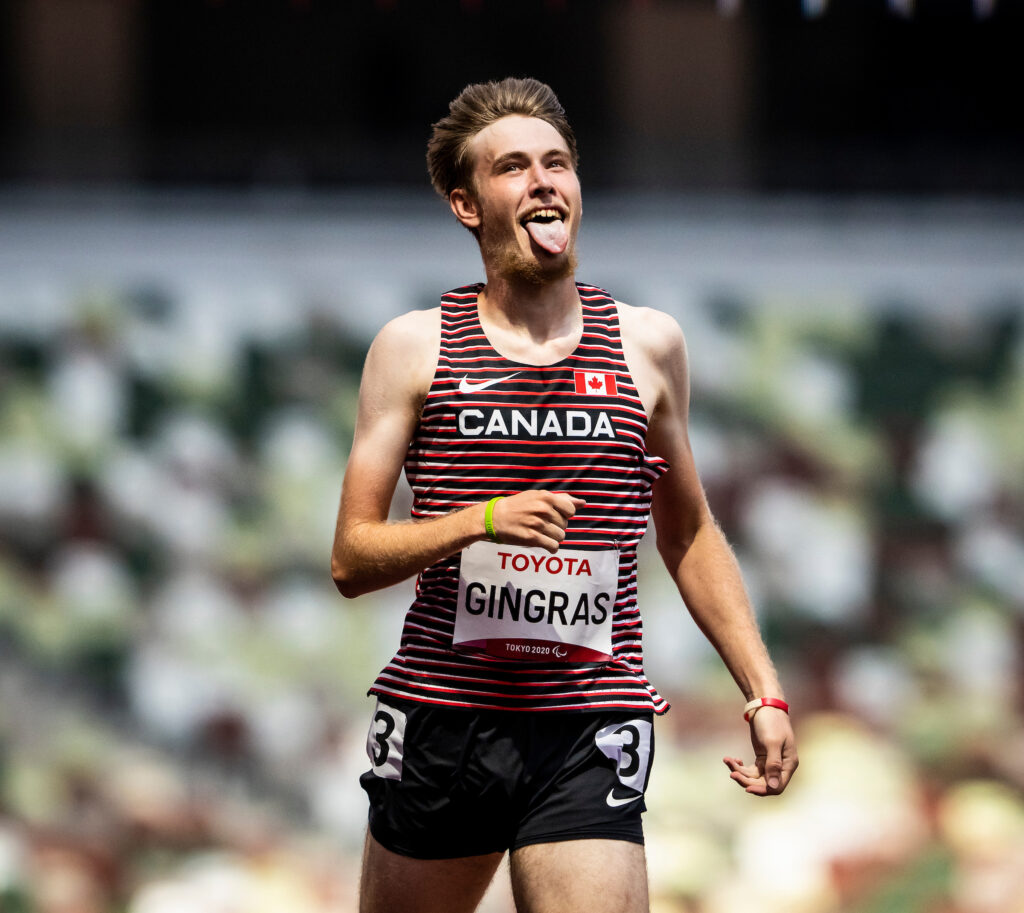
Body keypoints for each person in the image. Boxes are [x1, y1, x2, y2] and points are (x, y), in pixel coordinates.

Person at [331, 76, 798, 913]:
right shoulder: (413, 348)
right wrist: (481, 521)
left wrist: (762, 689)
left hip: (589, 719)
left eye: (558, 163)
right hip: (445, 717)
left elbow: (687, 531)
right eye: (513, 167)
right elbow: (351, 558)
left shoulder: (648, 345)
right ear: (467, 205)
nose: (544, 181)